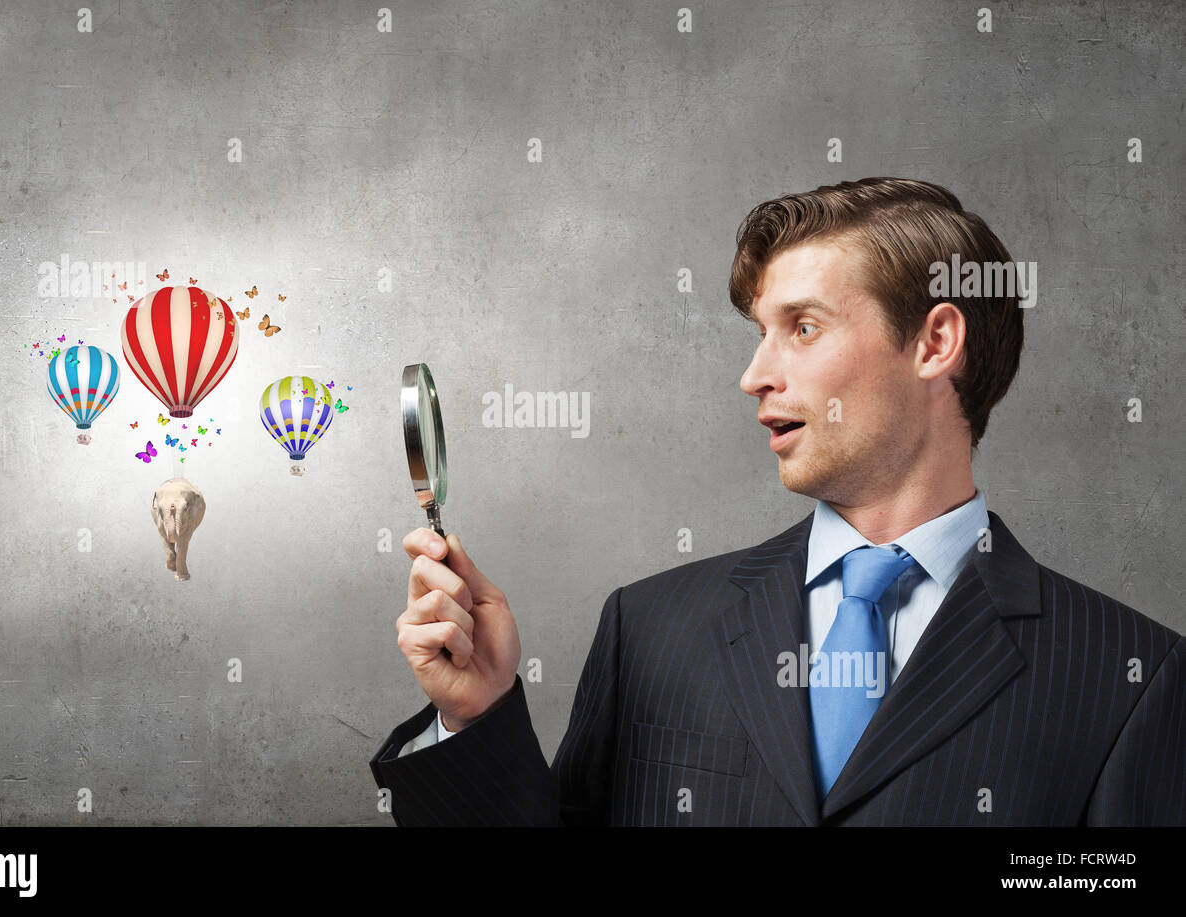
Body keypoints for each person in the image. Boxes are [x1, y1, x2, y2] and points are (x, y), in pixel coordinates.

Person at [368, 177, 1185, 826]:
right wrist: (475, 719)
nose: (755, 375)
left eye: (801, 327)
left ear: (935, 342)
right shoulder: (649, 628)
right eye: (760, 331)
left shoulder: (1130, 677)